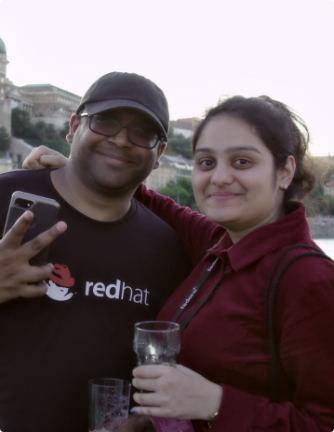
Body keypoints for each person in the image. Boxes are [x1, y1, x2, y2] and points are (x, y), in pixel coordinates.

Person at [24, 96, 334, 431]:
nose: (220, 178)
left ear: (285, 171)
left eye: (242, 162)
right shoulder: (219, 245)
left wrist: (215, 404)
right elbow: (165, 207)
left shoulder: (309, 281)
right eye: (206, 162)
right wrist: (81, 171)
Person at [0, 72, 190, 432]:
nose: (120, 140)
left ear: (160, 153)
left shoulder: (167, 246)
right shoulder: (4, 198)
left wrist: (151, 418)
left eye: (142, 133)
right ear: (73, 127)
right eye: (105, 122)